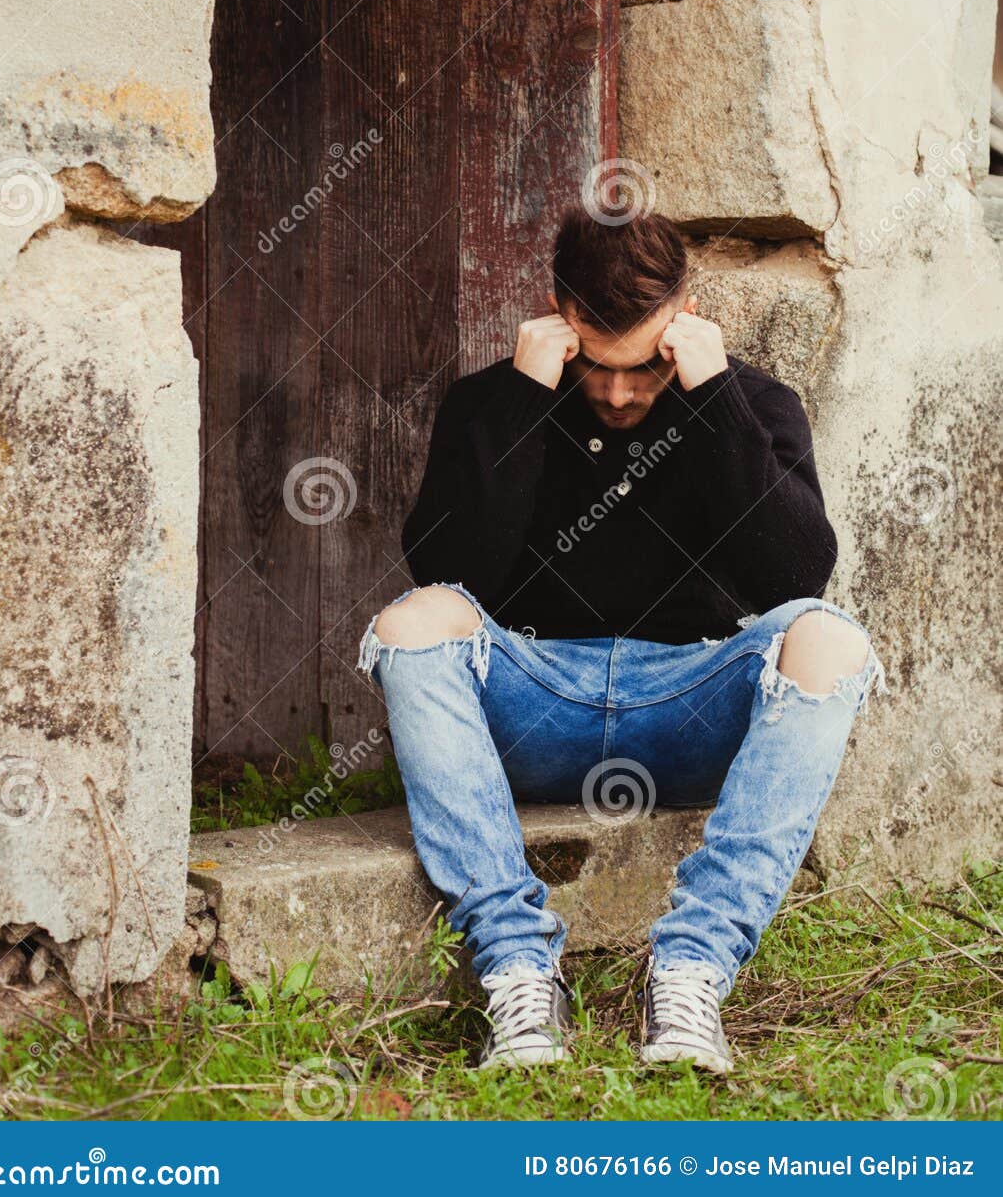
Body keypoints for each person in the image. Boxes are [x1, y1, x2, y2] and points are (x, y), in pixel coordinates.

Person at [358, 205, 884, 1072]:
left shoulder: (750, 403)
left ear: (682, 314)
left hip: (686, 712)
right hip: (531, 709)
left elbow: (792, 579)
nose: (615, 392)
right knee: (411, 623)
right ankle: (518, 968)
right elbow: (453, 574)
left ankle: (690, 970)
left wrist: (711, 397)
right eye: (595, 367)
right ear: (559, 315)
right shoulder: (492, 402)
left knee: (826, 637)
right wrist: (529, 401)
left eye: (639, 367)